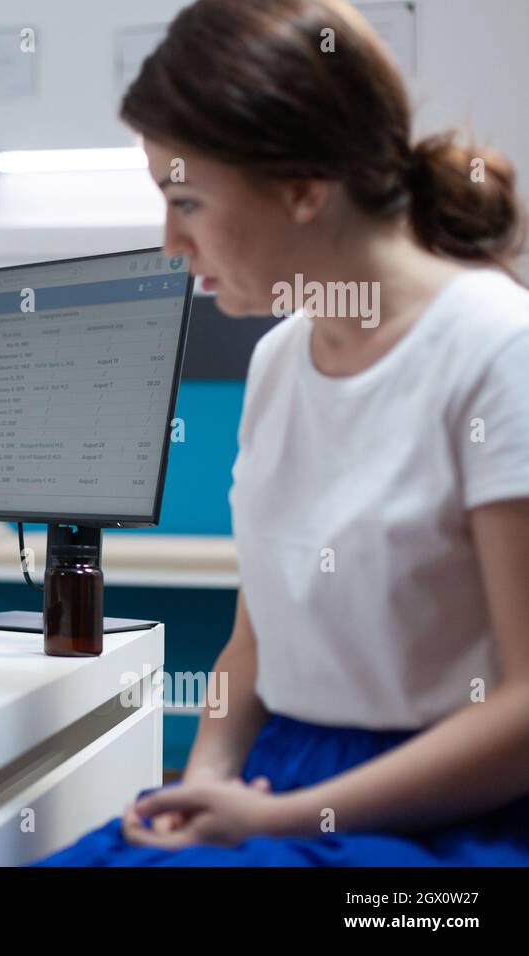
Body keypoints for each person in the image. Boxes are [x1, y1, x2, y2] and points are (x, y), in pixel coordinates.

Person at [37, 0, 529, 865]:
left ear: (306, 187)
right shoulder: (279, 363)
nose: (170, 243)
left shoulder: (497, 351)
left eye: (186, 201)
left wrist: (280, 822)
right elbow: (254, 642)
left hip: (441, 814)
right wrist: (209, 786)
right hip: (278, 779)